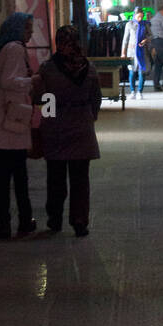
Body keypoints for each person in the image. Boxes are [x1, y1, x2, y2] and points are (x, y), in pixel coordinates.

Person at [32, 25, 102, 237]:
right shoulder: (88, 68)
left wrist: (52, 114)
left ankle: (55, 219)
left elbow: (41, 99)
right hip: (82, 126)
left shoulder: (48, 69)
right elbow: (95, 98)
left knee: (56, 177)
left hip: (56, 127)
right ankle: (80, 221)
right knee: (80, 179)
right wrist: (88, 116)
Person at [0, 11, 36, 241]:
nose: (30, 33)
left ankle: (5, 224)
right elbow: (8, 81)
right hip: (10, 121)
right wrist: (33, 80)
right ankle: (23, 220)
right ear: (16, 29)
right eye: (27, 29)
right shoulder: (14, 48)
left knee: (4, 176)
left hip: (2, 120)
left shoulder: (2, 47)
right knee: (19, 175)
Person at [121, 6, 149, 97]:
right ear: (134, 15)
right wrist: (123, 52)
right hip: (131, 51)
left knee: (142, 71)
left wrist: (146, 40)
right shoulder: (129, 24)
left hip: (142, 51)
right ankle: (132, 91)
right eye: (138, 17)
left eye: (141, 17)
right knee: (132, 71)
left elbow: (151, 36)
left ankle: (140, 92)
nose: (140, 19)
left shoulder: (146, 24)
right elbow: (125, 39)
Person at [149, 3, 163, 91]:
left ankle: (157, 84)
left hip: (155, 42)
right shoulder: (162, 18)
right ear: (162, 10)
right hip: (162, 42)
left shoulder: (153, 18)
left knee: (158, 64)